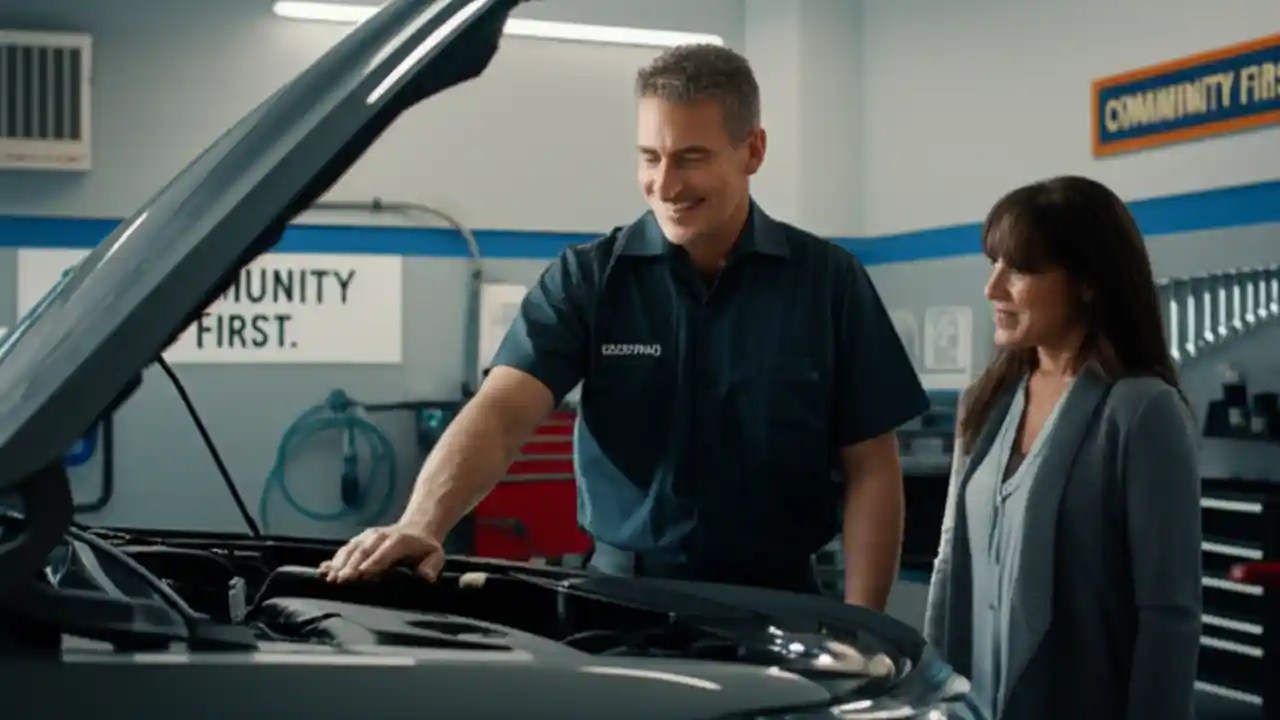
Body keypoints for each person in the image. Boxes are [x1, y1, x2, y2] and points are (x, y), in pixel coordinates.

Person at [319, 44, 929, 608]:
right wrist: (421, 521)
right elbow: (502, 413)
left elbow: (871, 465)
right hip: (621, 599)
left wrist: (864, 629)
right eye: (650, 157)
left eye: (691, 158)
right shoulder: (587, 279)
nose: (665, 185)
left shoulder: (829, 282)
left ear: (753, 150)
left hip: (781, 602)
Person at [923, 176, 1202, 719]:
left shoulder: (1142, 412)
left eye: (1020, 269)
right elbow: (949, 565)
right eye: (992, 263)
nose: (993, 288)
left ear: (1088, 282)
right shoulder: (985, 403)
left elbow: (1168, 616)